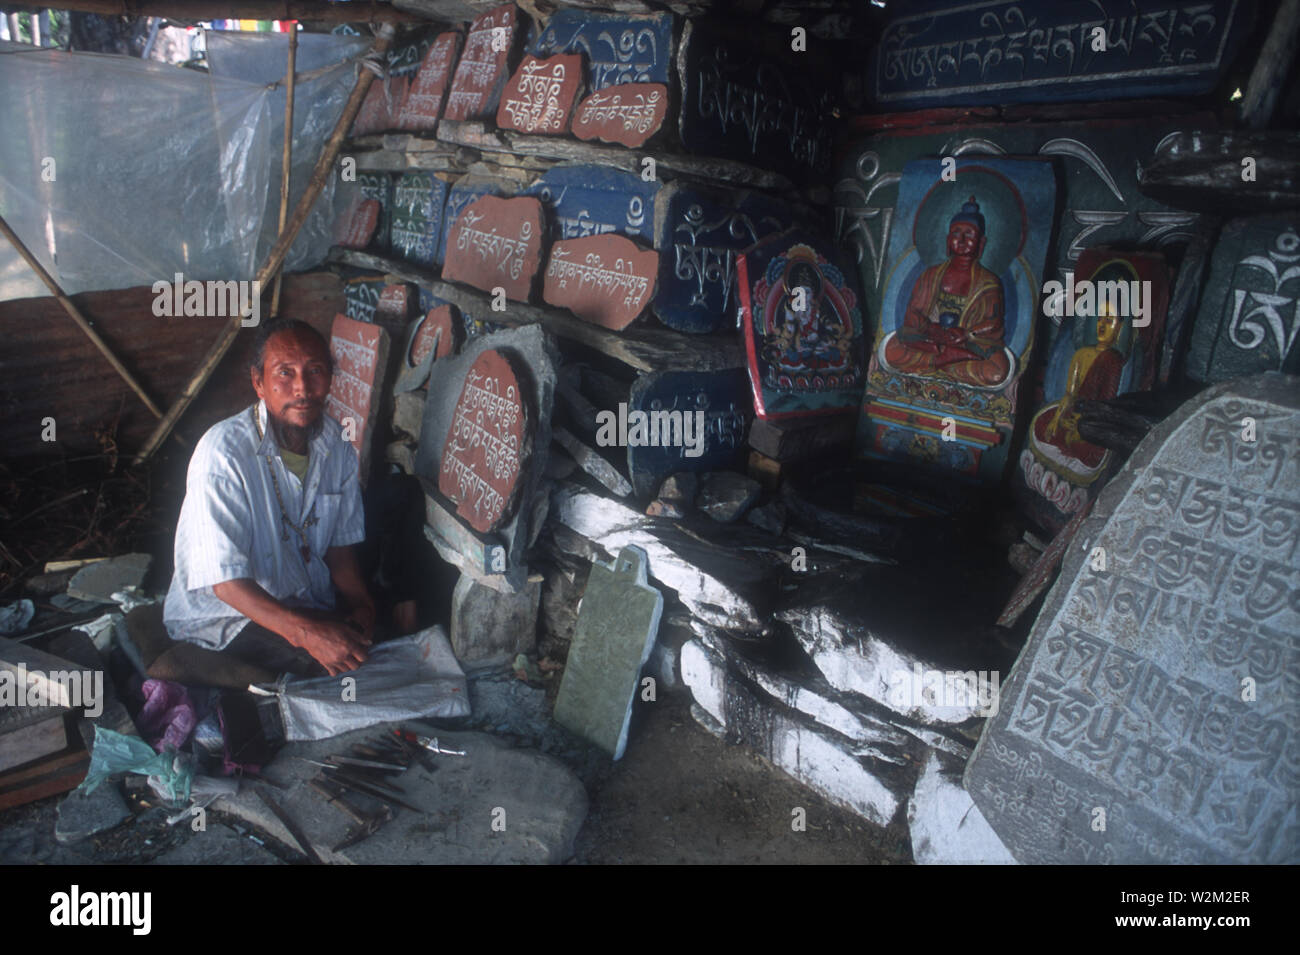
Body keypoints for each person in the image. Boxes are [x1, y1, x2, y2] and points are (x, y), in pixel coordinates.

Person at [163, 319, 375, 678]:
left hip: (301, 604)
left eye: (315, 371)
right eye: (285, 373)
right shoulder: (223, 454)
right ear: (258, 383)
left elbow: (340, 549)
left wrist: (362, 606)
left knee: (362, 645)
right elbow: (226, 583)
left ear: (330, 378)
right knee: (329, 668)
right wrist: (308, 634)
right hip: (227, 617)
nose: (302, 388)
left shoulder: (337, 444)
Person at [884, 196, 1011, 387]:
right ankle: (946, 361)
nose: (960, 239)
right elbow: (913, 313)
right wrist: (929, 328)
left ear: (981, 243)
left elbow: (994, 323)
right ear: (948, 239)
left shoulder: (988, 282)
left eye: (969, 234)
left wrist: (967, 333)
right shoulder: (931, 275)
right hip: (931, 338)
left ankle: (939, 362)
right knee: (891, 350)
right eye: (955, 232)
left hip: (967, 343)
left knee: (998, 370)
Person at [1031, 305, 1126, 470]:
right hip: (1074, 411)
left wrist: (1082, 423)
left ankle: (1074, 441)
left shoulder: (1113, 360)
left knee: (1092, 449)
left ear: (1119, 328)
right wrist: (1056, 420)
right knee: (1041, 425)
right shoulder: (1081, 354)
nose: (1102, 325)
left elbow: (1106, 403)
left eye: (1109, 321)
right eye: (1100, 319)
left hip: (1093, 417)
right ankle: (1070, 440)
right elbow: (1070, 394)